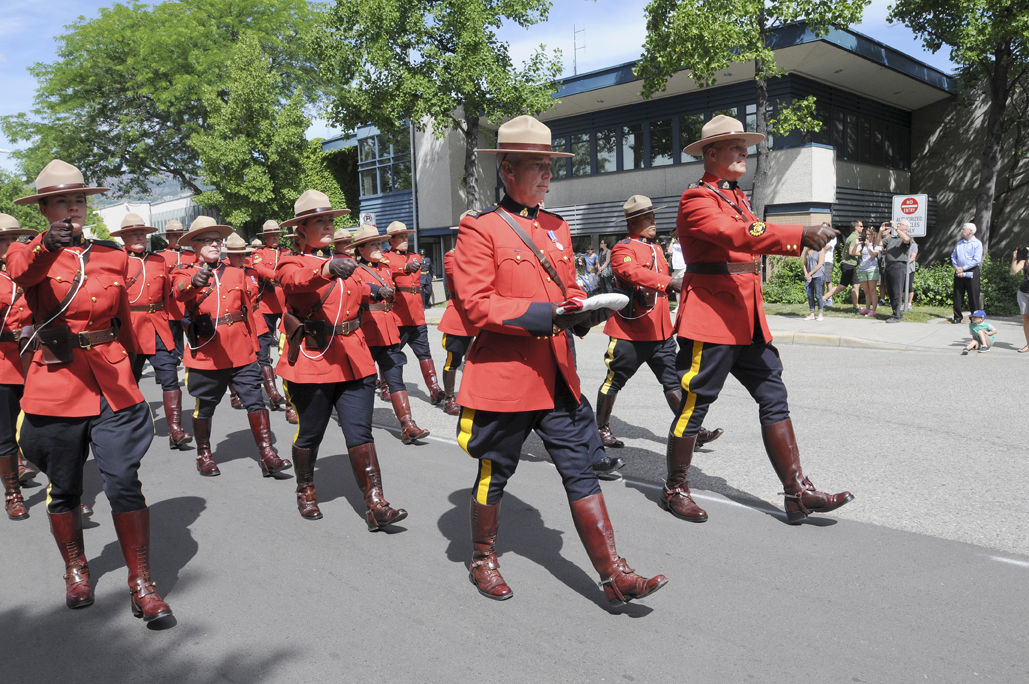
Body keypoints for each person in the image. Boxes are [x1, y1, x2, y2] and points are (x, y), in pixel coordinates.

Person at [453, 114, 667, 605]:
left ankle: (614, 574)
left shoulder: (557, 227)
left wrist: (585, 310)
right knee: (494, 471)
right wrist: (548, 315)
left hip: (556, 375)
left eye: (551, 166)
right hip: (506, 376)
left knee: (581, 470)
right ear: (507, 169)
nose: (549, 175)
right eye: (538, 166)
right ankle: (483, 558)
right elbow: (475, 304)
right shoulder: (479, 229)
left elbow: (569, 289)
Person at [663, 115, 852, 525]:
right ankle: (675, 487)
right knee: (694, 407)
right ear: (710, 154)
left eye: (743, 146)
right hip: (711, 317)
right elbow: (738, 235)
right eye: (734, 146)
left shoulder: (734, 196)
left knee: (774, 397)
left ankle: (796, 492)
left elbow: (748, 229)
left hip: (746, 319)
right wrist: (799, 233)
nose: (743, 152)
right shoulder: (696, 198)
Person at [9, 159, 172, 623]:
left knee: (122, 478)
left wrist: (127, 362)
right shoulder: (30, 251)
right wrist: (44, 244)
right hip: (57, 381)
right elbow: (20, 272)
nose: (73, 208)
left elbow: (121, 316)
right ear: (44, 209)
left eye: (78, 199)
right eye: (62, 200)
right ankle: (76, 568)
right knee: (65, 487)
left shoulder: (111, 254)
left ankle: (141, 582)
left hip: (112, 381)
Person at [275, 190, 407, 529]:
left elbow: (353, 290)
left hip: (354, 356)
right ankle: (305, 489)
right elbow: (294, 280)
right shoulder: (292, 262)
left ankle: (376, 503)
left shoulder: (342, 259)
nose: (330, 224)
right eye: (321, 220)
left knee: (359, 431)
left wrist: (374, 291)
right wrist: (327, 267)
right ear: (301, 230)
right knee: (311, 432)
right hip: (315, 359)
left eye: (331, 219)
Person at [594, 194, 723, 460]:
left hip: (660, 332)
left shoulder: (655, 249)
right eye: (647, 217)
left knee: (673, 382)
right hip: (631, 330)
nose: (654, 221)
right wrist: (669, 283)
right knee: (614, 380)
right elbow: (633, 274)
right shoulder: (623, 249)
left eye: (653, 216)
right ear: (633, 221)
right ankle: (601, 428)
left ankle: (693, 430)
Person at [171, 217, 292, 478]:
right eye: (207, 240)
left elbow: (248, 311)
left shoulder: (237, 272)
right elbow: (178, 292)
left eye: (217, 239)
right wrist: (195, 281)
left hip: (240, 349)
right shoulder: (184, 271)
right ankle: (204, 453)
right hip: (207, 351)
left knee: (255, 400)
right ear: (194, 245)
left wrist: (254, 347)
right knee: (205, 406)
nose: (215, 244)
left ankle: (267, 454)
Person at [114, 213, 193, 450]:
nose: (139, 237)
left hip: (158, 325)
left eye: (142, 233)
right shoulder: (117, 261)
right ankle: (128, 428)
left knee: (169, 377)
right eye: (133, 233)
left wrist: (175, 320)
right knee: (129, 380)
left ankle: (176, 430)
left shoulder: (159, 260)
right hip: (130, 328)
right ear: (124, 237)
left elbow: (169, 294)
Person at [350, 225, 431, 444]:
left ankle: (407, 426)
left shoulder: (385, 268)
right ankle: (357, 425)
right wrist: (375, 291)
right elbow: (357, 290)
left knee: (396, 378)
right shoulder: (355, 270)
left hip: (388, 330)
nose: (379, 247)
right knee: (363, 382)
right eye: (373, 244)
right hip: (367, 330)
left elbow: (399, 276)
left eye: (379, 243)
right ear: (360, 249)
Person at [382, 221, 445, 405]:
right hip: (398, 316)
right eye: (400, 237)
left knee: (425, 353)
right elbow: (383, 273)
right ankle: (386, 387)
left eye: (405, 237)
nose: (404, 240)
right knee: (391, 353)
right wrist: (403, 269)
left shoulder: (416, 256)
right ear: (391, 240)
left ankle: (434, 389)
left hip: (416, 315)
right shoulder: (386, 258)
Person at [0, 213, 38, 521]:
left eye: (11, 240)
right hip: (3, 363)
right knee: (5, 431)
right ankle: (13, 494)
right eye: (1, 241)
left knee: (49, 428)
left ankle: (65, 488)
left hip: (37, 358)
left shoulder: (31, 273)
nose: (7, 246)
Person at [251, 219, 297, 424]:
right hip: (267, 306)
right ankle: (272, 392)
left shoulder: (287, 253)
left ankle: (287, 392)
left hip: (285, 305)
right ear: (265, 237)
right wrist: (276, 275)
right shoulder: (259, 252)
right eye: (271, 235)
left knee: (288, 348)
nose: (275, 237)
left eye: (277, 234)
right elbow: (259, 269)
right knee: (263, 350)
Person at [437, 213, 477, 416]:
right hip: (459, 316)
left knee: (476, 360)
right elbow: (460, 280)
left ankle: (471, 396)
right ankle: (449, 399)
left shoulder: (479, 254)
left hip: (479, 315)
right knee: (454, 359)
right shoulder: (452, 255)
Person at [154, 218, 194, 361]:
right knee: (173, 333)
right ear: (167, 237)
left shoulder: (191, 255)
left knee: (194, 332)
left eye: (179, 235)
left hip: (190, 300)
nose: (177, 238)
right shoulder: (160, 256)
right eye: (173, 235)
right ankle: (173, 359)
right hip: (171, 302)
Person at [823, 220, 862, 312]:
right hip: (849, 265)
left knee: (856, 285)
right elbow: (851, 252)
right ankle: (823, 299)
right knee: (842, 286)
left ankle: (856, 306)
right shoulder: (854, 238)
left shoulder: (851, 237)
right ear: (856, 227)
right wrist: (862, 254)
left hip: (849, 265)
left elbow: (846, 251)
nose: (862, 228)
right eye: (861, 226)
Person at [951, 222, 983, 324]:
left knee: (973, 295)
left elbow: (976, 260)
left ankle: (975, 317)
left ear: (970, 231)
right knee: (957, 294)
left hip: (972, 271)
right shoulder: (959, 243)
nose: (962, 231)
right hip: (959, 270)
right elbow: (953, 256)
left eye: (964, 229)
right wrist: (957, 267)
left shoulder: (977, 243)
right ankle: (957, 316)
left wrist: (963, 268)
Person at [880, 219, 912, 322]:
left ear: (905, 227)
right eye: (898, 224)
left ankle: (897, 315)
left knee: (896, 290)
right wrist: (880, 232)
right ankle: (895, 312)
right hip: (888, 265)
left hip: (899, 266)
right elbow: (878, 243)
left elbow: (906, 239)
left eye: (900, 224)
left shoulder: (906, 237)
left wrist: (896, 228)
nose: (898, 225)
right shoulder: (891, 239)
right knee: (890, 291)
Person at [856, 225, 882, 317]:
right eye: (866, 234)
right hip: (862, 269)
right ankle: (867, 309)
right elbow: (854, 252)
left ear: (873, 235)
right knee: (866, 291)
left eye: (869, 234)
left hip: (872, 269)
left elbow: (873, 255)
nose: (867, 236)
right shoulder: (863, 244)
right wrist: (856, 244)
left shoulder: (877, 244)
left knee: (872, 291)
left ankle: (874, 310)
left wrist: (868, 246)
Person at [801, 236, 826, 320]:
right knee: (810, 295)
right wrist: (806, 273)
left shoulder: (820, 250)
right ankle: (812, 313)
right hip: (809, 277)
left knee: (818, 295)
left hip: (818, 275)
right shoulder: (807, 251)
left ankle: (820, 313)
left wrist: (810, 273)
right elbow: (804, 263)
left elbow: (820, 264)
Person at [1010, 245, 1029, 353]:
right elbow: (1013, 271)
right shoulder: (1025, 259)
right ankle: (1028, 344)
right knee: (1026, 318)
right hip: (1023, 291)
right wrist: (1015, 259)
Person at [906, 236, 919, 310]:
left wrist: (905, 263)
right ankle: (904, 303)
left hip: (910, 269)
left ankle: (909, 303)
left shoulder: (914, 245)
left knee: (910, 286)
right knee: (903, 287)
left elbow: (913, 257)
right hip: (903, 269)